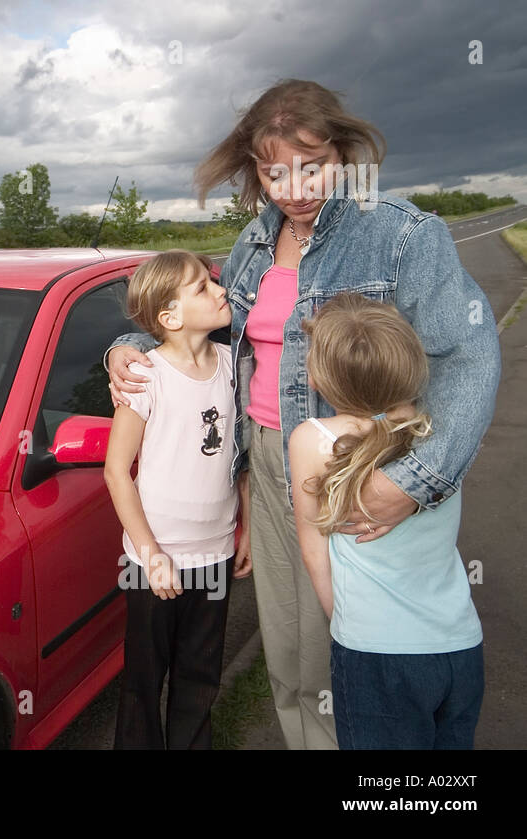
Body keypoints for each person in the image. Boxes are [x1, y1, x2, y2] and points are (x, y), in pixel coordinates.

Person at [103, 79, 499, 750]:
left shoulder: (401, 235)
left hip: (345, 466)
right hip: (265, 461)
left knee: (340, 655)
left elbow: (468, 356)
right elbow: (215, 333)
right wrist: (131, 345)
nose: (295, 186)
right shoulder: (254, 244)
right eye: (275, 170)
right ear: (254, 168)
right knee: (286, 657)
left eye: (311, 165)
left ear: (343, 153)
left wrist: (416, 480)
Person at [289, 293, 483, 749]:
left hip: (375, 651)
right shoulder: (439, 429)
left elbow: (314, 549)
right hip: (460, 645)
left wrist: (345, 624)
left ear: (319, 379)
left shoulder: (312, 439)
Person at [105, 250, 252, 749]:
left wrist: (245, 527)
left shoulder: (233, 365)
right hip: (154, 560)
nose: (220, 291)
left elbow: (239, 455)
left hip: (214, 554)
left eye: (214, 283)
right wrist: (151, 557)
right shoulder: (146, 376)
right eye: (203, 289)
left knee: (199, 678)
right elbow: (116, 471)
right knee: (144, 682)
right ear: (169, 317)